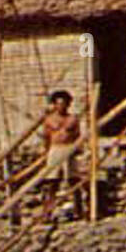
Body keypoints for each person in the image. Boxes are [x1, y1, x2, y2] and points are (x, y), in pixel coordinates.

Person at [41, 90, 81, 218]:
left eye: (64, 103)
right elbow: (46, 137)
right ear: (54, 105)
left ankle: (78, 210)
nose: (61, 106)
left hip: (69, 148)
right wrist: (46, 153)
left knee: (73, 180)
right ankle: (48, 212)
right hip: (55, 149)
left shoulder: (73, 119)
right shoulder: (49, 120)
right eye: (58, 104)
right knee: (53, 182)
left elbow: (76, 135)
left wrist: (76, 150)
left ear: (68, 104)